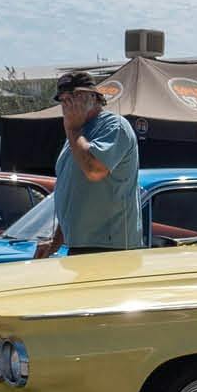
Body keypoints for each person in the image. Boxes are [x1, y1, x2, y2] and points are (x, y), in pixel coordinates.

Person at [36, 72, 141, 258]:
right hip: (82, 246)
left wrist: (72, 129)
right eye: (63, 99)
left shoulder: (114, 126)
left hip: (111, 250)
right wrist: (56, 241)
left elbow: (94, 171)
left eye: (74, 97)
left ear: (93, 97)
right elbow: (75, 196)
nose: (67, 104)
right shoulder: (77, 135)